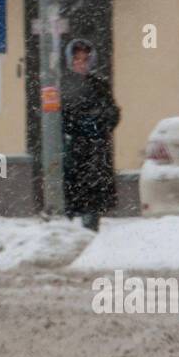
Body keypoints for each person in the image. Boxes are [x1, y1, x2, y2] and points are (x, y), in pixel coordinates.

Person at [61, 38, 120, 232]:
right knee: (71, 194)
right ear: (70, 60)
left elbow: (112, 113)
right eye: (77, 59)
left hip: (96, 150)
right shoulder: (62, 84)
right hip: (73, 150)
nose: (81, 63)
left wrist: (98, 123)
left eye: (85, 59)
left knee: (93, 196)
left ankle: (90, 226)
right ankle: (70, 227)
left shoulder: (100, 85)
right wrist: (78, 125)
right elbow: (59, 117)